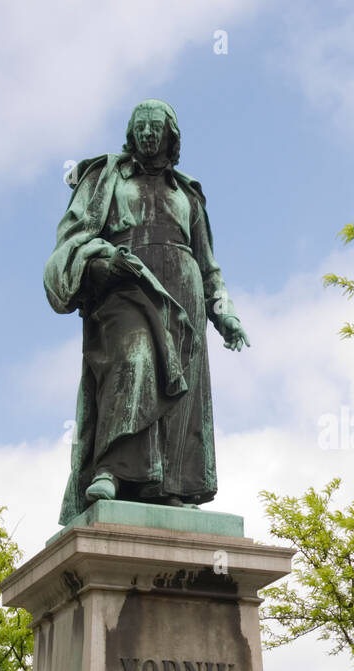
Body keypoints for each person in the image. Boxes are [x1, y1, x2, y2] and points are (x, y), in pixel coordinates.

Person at [44, 99, 249, 523]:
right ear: (131, 131)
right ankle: (111, 470)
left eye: (157, 126)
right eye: (141, 126)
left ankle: (167, 487)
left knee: (180, 394)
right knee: (133, 359)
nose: (148, 133)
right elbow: (72, 238)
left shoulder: (188, 193)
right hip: (126, 286)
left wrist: (225, 313)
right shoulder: (107, 178)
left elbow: (209, 265)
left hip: (183, 296)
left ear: (172, 135)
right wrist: (98, 262)